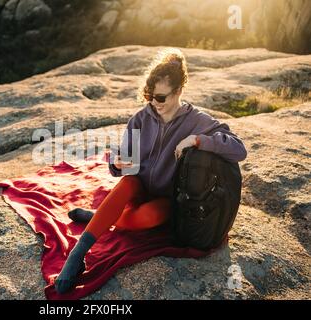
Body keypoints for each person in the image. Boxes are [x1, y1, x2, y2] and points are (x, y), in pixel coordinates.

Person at [54, 47, 247, 294]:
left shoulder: (198, 121)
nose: (155, 103)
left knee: (151, 218)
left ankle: (99, 216)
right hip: (138, 186)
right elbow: (121, 162)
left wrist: (199, 140)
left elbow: (239, 149)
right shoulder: (140, 119)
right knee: (126, 184)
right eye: (150, 97)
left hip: (168, 197)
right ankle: (77, 254)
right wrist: (117, 162)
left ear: (178, 91)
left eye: (162, 97)